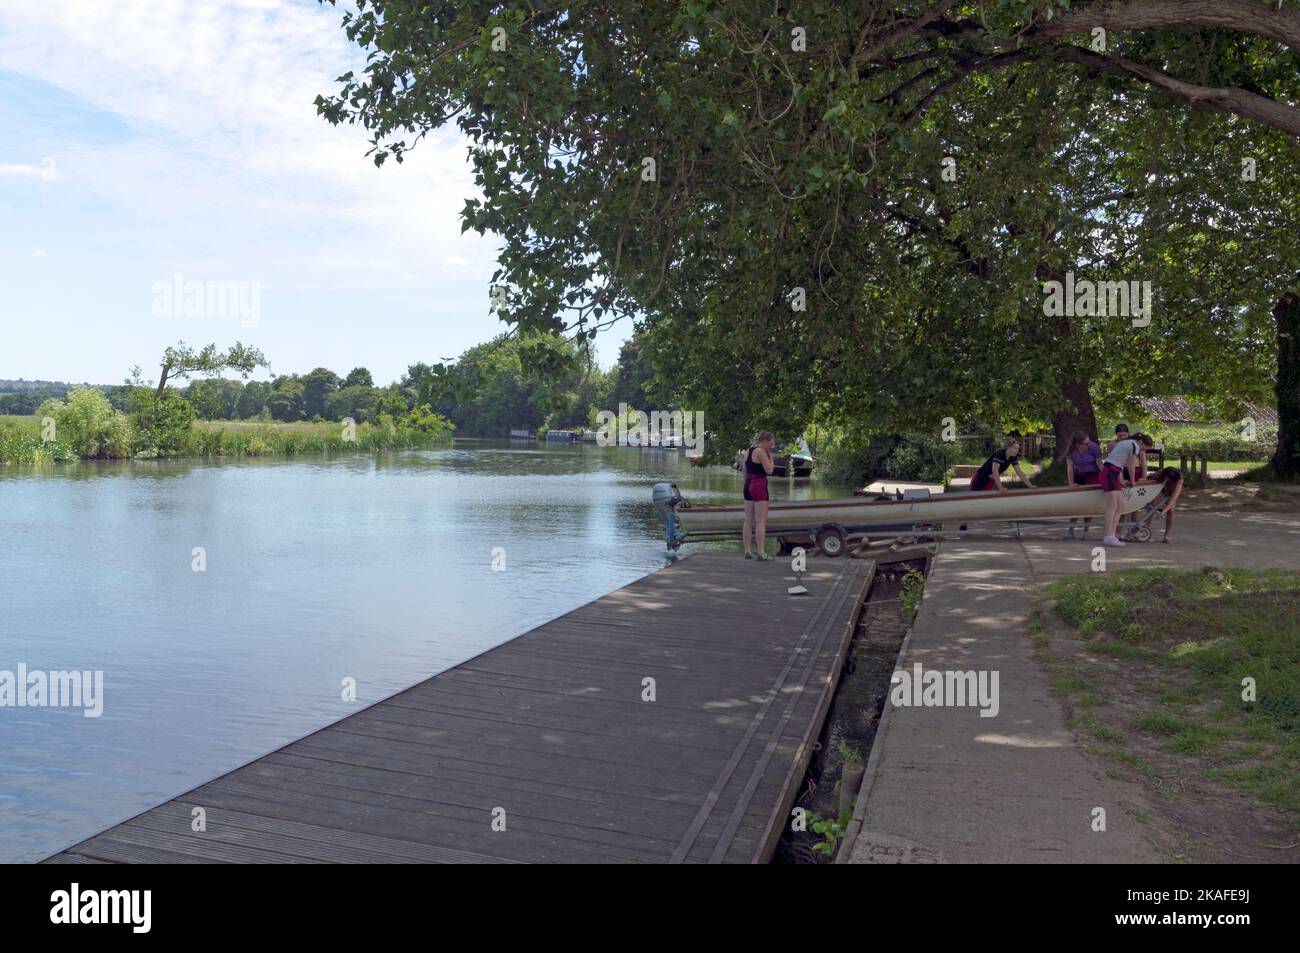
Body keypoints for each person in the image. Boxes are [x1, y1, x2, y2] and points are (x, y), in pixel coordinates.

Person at [1100, 432, 1153, 547]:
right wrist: (1133, 481)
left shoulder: (1127, 443)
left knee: (1121, 507)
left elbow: (1119, 463)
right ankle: (1108, 536)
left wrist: (1121, 480)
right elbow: (1130, 466)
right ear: (1142, 443)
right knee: (1112, 506)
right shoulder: (1135, 446)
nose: (1143, 451)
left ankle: (1112, 535)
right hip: (1109, 473)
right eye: (1144, 448)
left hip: (1114, 473)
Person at [741, 431, 775, 560]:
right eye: (771, 443)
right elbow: (770, 470)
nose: (772, 446)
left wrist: (748, 482)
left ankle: (748, 551)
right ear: (765, 440)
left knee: (748, 519)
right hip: (759, 485)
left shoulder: (748, 451)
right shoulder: (761, 451)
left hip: (748, 485)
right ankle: (761, 553)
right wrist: (771, 457)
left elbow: (744, 472)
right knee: (761, 521)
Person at [1062, 429, 1101, 539]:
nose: (1089, 444)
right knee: (1076, 503)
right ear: (1078, 445)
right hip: (1080, 474)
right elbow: (1070, 467)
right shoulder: (1071, 450)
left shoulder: (1094, 447)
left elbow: (1099, 464)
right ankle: (1071, 530)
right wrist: (1071, 483)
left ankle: (1086, 532)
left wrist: (1106, 478)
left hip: (1093, 475)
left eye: (1089, 442)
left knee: (1089, 505)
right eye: (1086, 443)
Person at [970, 437, 1036, 492]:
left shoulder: (1013, 457)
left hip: (990, 480)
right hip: (980, 478)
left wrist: (1030, 485)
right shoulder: (999, 454)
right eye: (1015, 448)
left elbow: (1019, 472)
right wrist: (1000, 487)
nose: (1017, 450)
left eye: (1018, 448)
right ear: (1008, 447)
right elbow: (995, 471)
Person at [1152, 466, 1184, 543]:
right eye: (1167, 478)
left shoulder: (1179, 479)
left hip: (1171, 490)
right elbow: (1153, 479)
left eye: (1170, 479)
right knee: (1152, 508)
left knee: (1171, 511)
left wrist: (1163, 512)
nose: (1168, 480)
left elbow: (1173, 498)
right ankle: (1145, 529)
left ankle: (1167, 535)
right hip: (1159, 486)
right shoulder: (1162, 472)